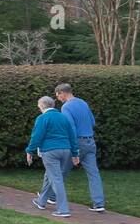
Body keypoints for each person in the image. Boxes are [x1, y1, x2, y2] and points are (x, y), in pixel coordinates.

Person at [39, 82, 106, 213]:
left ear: (62, 93)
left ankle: (48, 198)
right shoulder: (83, 103)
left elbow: (71, 128)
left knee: (58, 172)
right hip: (90, 141)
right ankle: (98, 203)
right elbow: (92, 122)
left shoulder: (66, 107)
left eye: (58, 96)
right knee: (93, 173)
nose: (58, 99)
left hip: (77, 142)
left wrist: (73, 148)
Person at [24, 94, 79, 217]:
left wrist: (29, 150)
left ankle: (63, 209)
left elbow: (37, 136)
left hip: (50, 151)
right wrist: (75, 153)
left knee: (56, 179)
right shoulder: (63, 117)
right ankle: (41, 201)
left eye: (39, 107)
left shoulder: (43, 118)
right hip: (66, 150)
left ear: (42, 106)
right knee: (51, 176)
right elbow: (72, 136)